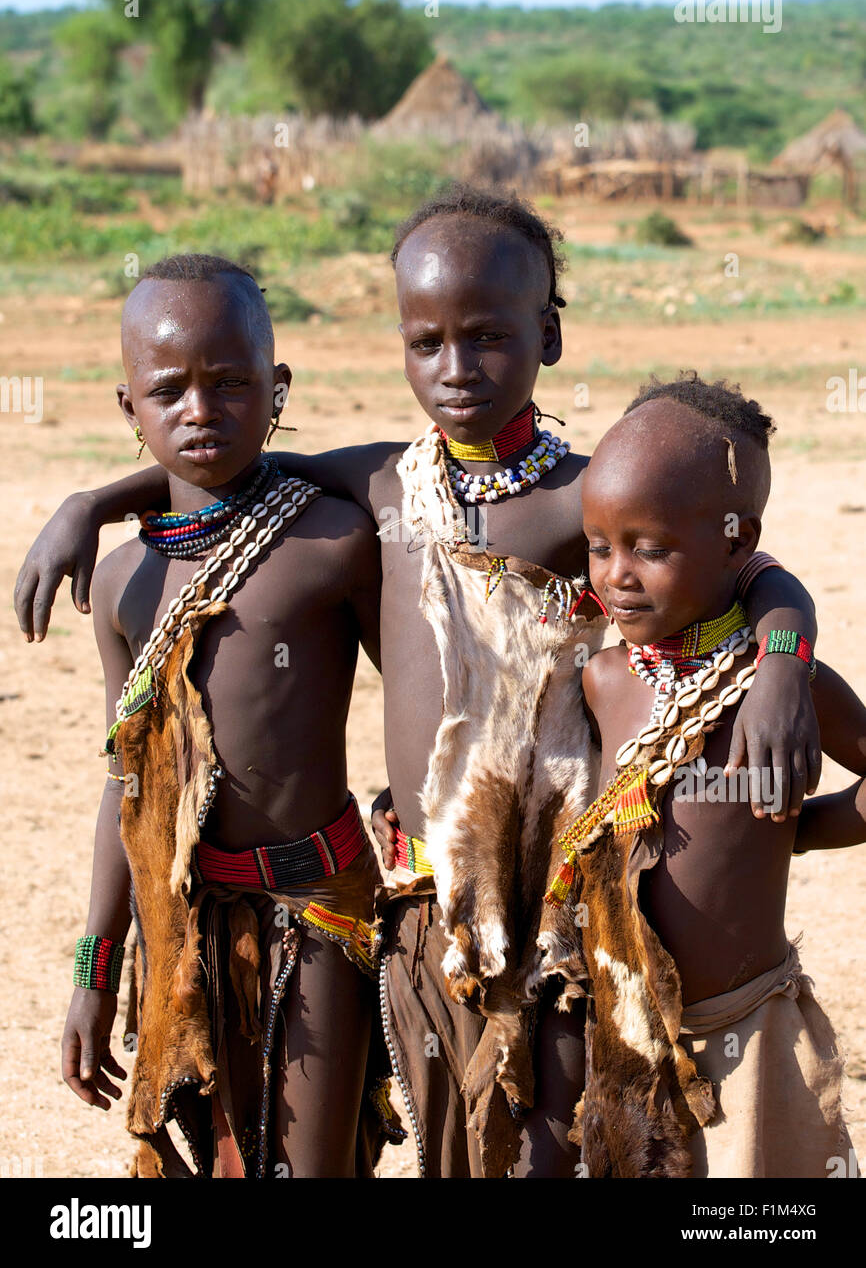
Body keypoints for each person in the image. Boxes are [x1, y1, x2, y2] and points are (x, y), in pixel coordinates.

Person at [16, 188, 823, 1177]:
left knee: (541, 1135)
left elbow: (748, 566)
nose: (455, 368)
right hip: (417, 904)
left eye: (486, 336)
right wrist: (87, 504)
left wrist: (782, 663)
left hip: (547, 898)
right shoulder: (385, 486)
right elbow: (224, 469)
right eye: (426, 341)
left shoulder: (583, 497)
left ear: (549, 335)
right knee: (451, 1136)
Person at [59, 254, 397, 1178]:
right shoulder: (127, 583)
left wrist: (90, 499)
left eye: (232, 383)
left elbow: (414, 700)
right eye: (168, 391)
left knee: (310, 1164)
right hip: (187, 927)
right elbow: (129, 787)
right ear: (129, 408)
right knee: (222, 1162)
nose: (200, 410)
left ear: (277, 388)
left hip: (318, 903)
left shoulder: (332, 541)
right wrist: (95, 970)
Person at [546, 374, 865, 1177]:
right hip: (621, 1029)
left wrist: (791, 831)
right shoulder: (603, 679)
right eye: (600, 546)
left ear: (735, 540)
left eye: (651, 550)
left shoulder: (786, 685)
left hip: (747, 1029)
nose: (618, 573)